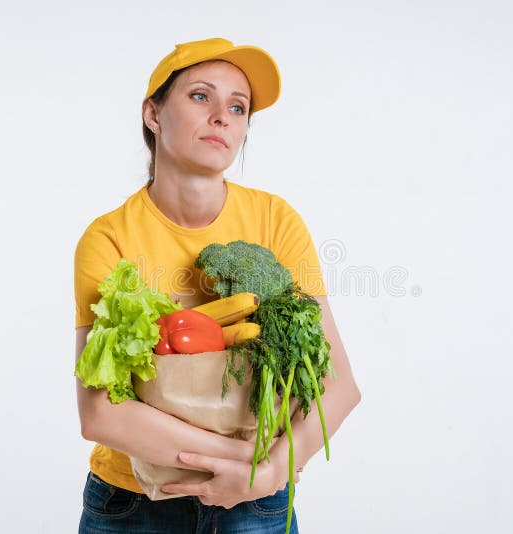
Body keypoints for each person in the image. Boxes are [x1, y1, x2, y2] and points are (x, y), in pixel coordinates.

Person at [74, 37, 361, 533]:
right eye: (201, 96)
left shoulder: (275, 221)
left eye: (238, 106)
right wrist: (250, 461)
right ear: (153, 114)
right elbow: (99, 412)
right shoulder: (109, 238)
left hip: (256, 506)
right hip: (133, 504)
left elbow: (339, 387)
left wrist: (269, 474)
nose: (223, 117)